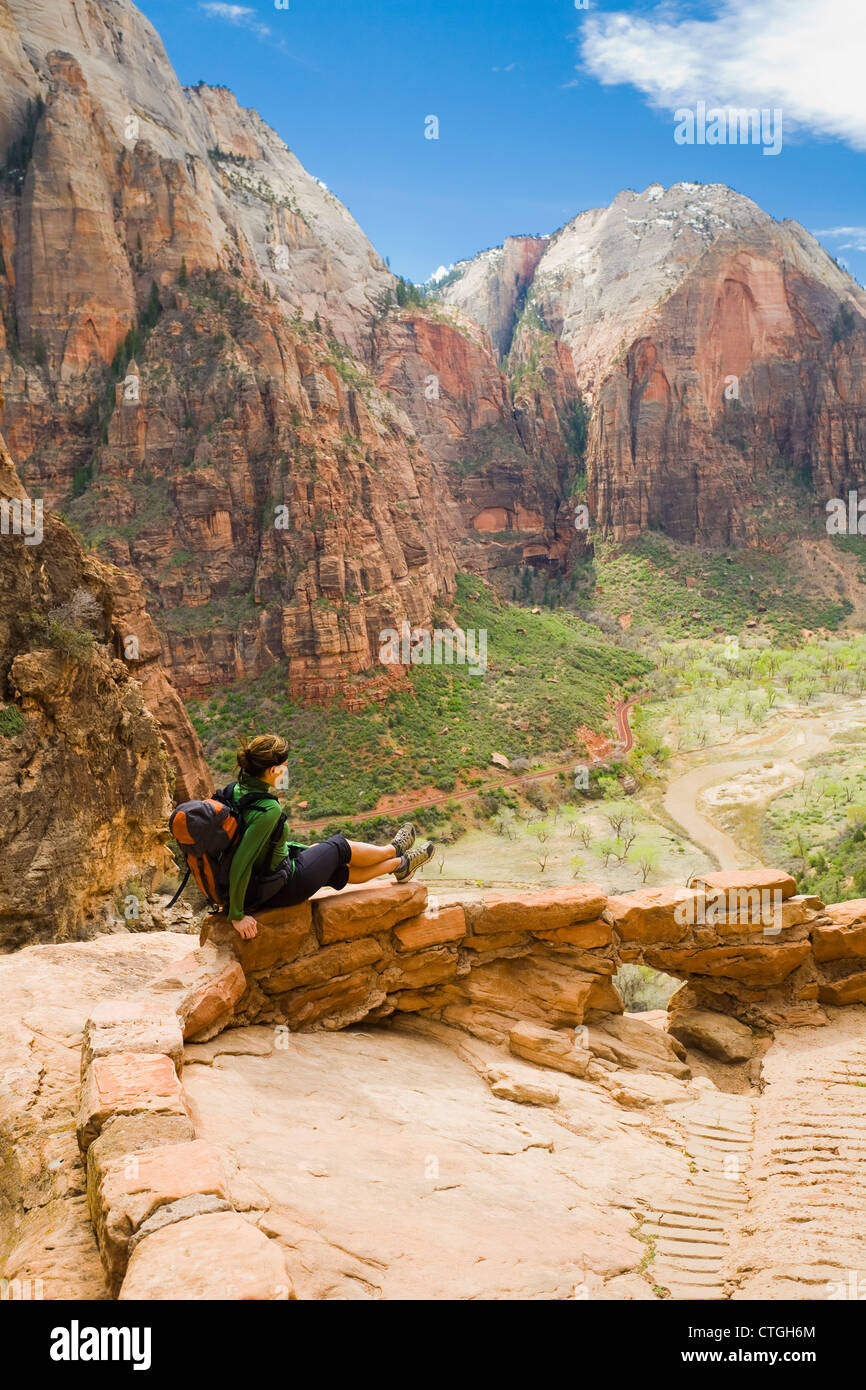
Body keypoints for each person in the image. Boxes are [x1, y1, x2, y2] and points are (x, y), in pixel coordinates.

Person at [227, 734, 434, 940]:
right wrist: (236, 915)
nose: (286, 771)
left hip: (270, 877)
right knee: (338, 847)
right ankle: (394, 849)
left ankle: (401, 865)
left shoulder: (236, 791)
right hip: (284, 885)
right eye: (285, 766)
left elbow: (262, 845)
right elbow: (241, 862)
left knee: (332, 865)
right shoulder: (268, 809)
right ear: (273, 770)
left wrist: (301, 849)